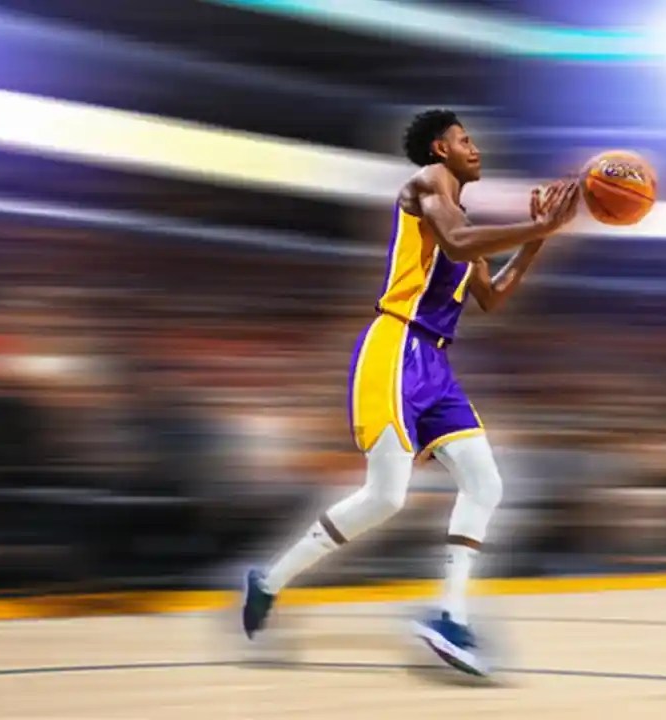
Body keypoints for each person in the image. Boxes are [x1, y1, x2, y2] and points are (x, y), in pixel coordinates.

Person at [241, 109, 581, 676]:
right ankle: (270, 581)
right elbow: (458, 242)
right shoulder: (425, 185)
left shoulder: (464, 220)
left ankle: (450, 617)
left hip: (435, 364)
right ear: (439, 149)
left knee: (486, 483)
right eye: (464, 140)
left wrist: (538, 239)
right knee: (385, 498)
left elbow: (492, 298)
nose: (474, 148)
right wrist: (538, 225)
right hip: (395, 347)